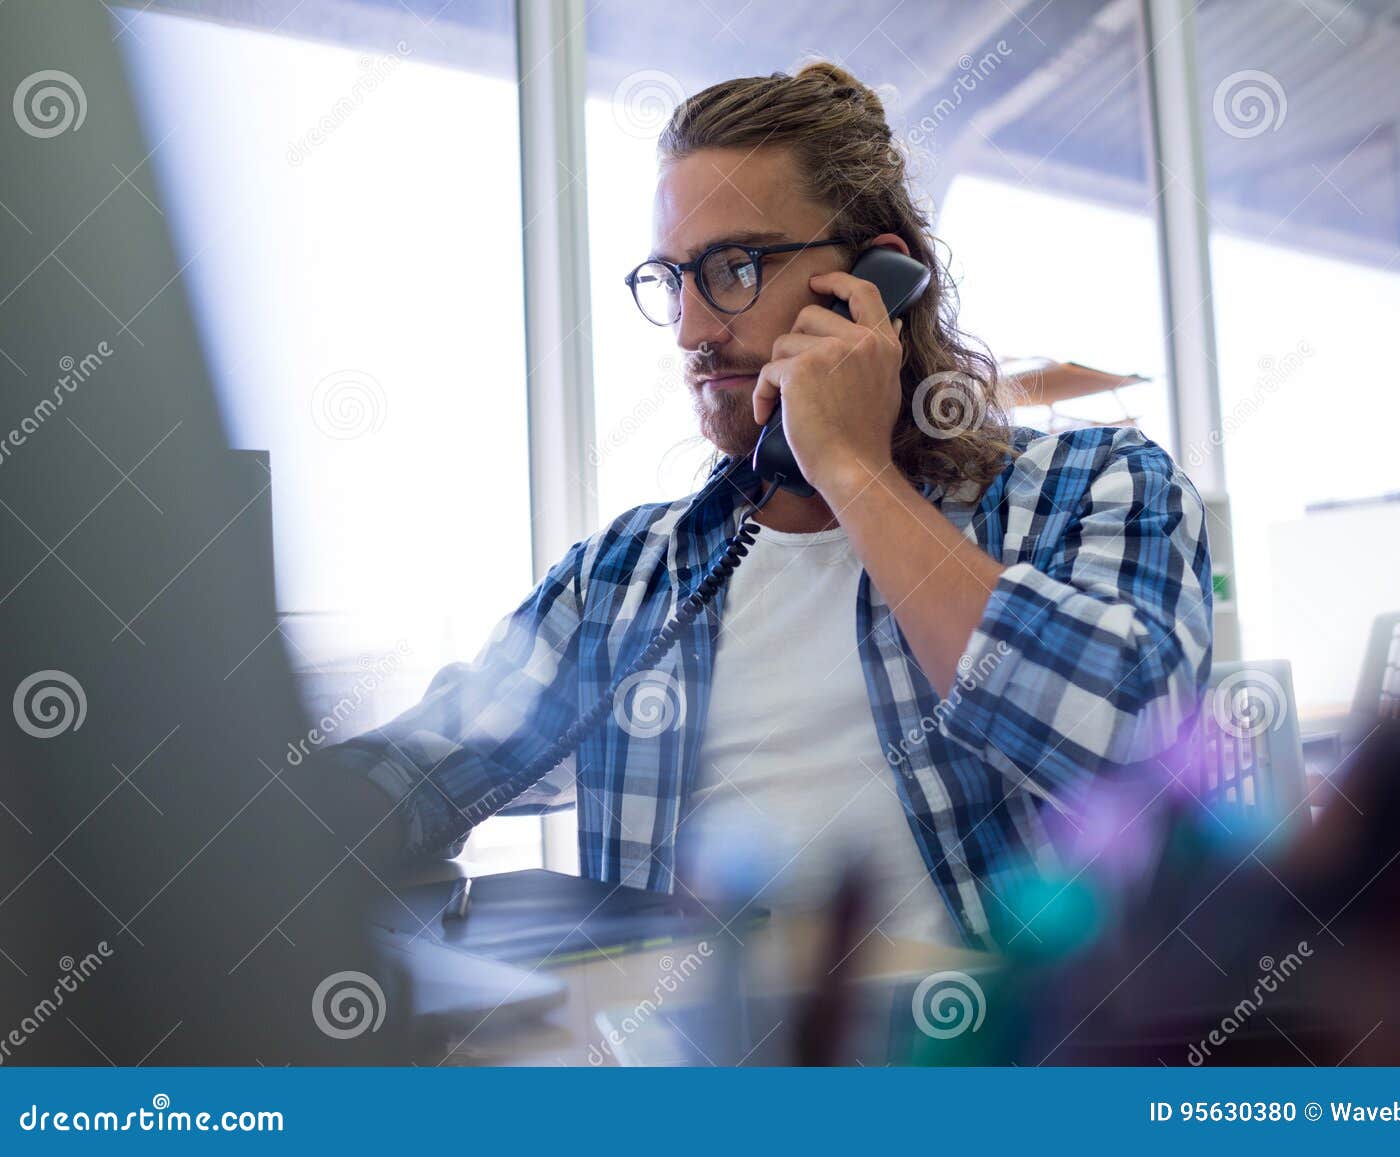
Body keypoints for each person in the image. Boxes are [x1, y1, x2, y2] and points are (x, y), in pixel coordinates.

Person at [327, 61, 1213, 950]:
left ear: (876, 283)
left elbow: (1135, 743)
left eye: (734, 267)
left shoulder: (1095, 485)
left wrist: (855, 471)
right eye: (673, 278)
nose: (691, 329)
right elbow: (423, 765)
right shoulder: (627, 576)